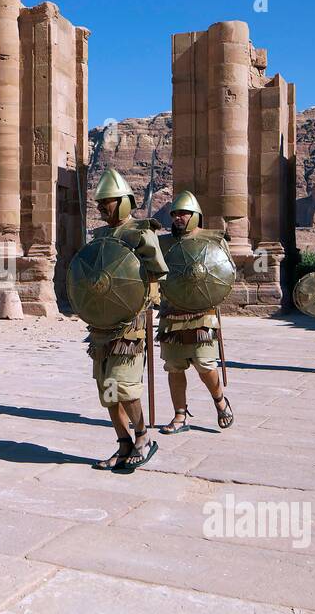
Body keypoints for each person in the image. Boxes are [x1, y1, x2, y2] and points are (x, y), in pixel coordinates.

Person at [85, 168, 167, 472]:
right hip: (101, 323)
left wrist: (145, 303)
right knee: (106, 388)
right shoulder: (100, 236)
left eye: (108, 202)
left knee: (124, 385)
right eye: (100, 203)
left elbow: (156, 273)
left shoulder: (141, 232)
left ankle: (143, 437)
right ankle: (123, 443)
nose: (103, 207)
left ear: (123, 201)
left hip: (130, 322)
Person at [157, 191, 234, 433]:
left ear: (195, 216)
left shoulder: (213, 240)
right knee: (174, 366)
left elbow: (224, 272)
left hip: (202, 312)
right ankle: (180, 416)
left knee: (205, 363)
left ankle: (220, 401)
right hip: (172, 312)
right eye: (175, 214)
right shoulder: (163, 243)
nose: (178, 218)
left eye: (184, 213)